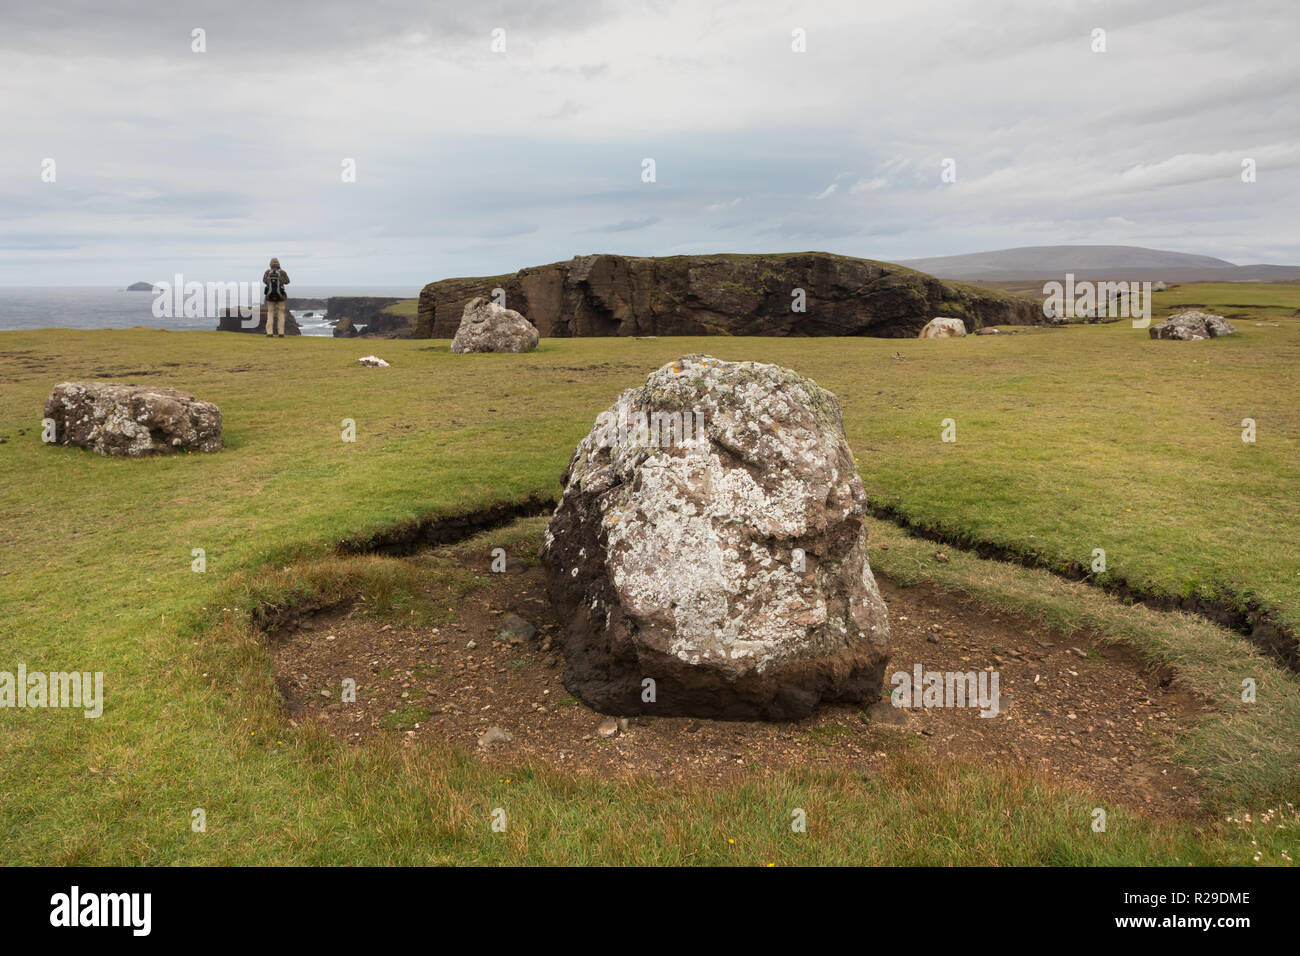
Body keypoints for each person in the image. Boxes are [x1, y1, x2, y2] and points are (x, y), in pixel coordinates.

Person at [262, 257, 290, 337]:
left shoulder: (267, 272)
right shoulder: (283, 272)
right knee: (280, 314)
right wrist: (281, 281)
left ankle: (269, 333)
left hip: (270, 296)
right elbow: (287, 281)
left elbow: (264, 281)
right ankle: (281, 333)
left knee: (270, 313)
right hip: (281, 296)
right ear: (278, 264)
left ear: (270, 264)